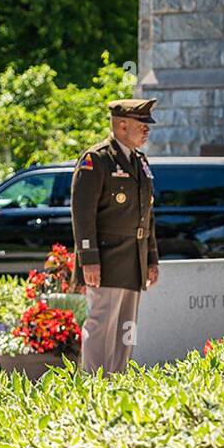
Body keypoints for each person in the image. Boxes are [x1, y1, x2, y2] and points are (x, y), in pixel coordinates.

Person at [71, 97, 160, 375]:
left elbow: (148, 214)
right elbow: (82, 214)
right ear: (122, 126)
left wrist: (151, 259)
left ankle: (118, 378)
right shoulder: (96, 159)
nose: (147, 130)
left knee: (126, 326)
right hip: (106, 259)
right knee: (101, 324)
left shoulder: (139, 161)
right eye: (141, 124)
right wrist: (88, 259)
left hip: (133, 258)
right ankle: (95, 383)